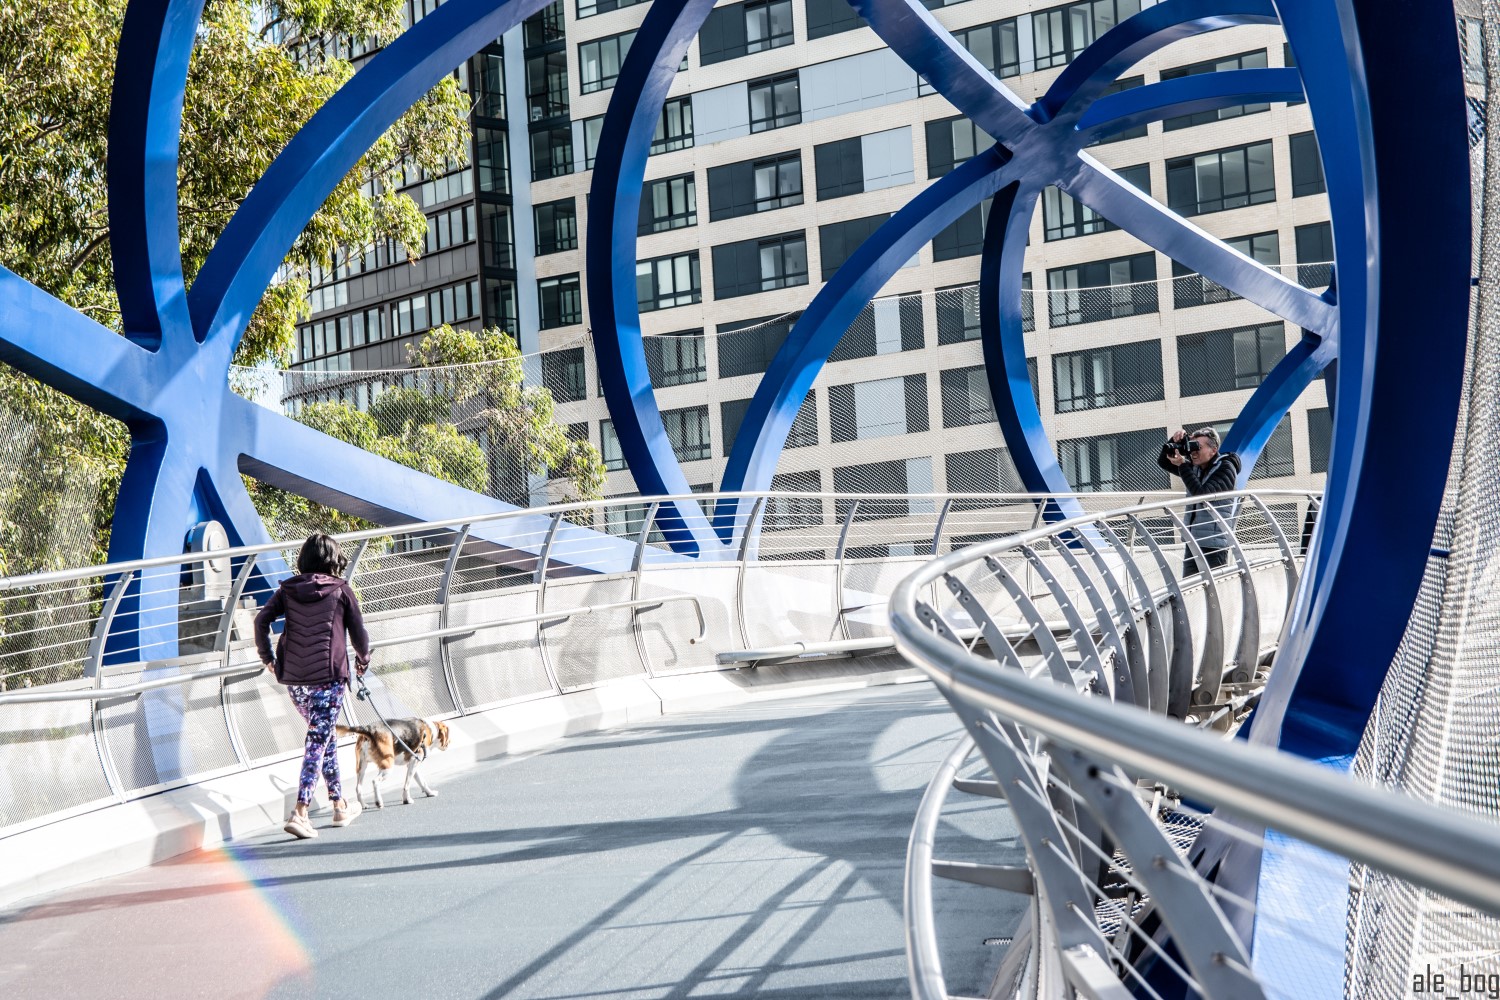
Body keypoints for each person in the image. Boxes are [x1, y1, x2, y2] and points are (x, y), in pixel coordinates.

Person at [255, 533, 372, 839]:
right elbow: (359, 634)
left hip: (295, 679)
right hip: (328, 677)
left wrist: (268, 658)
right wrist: (363, 660)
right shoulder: (341, 590)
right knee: (317, 740)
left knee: (323, 734)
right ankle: (301, 811)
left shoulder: (287, 590)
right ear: (334, 560)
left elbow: (260, 621)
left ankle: (338, 805)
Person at [1158, 427, 1242, 577]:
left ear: (1214, 450)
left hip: (1214, 545)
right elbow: (1163, 462)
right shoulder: (1195, 468)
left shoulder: (1226, 468)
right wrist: (1174, 441)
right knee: (1191, 592)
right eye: (1191, 447)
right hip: (1194, 541)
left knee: (1214, 593)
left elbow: (1202, 494)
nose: (1193, 452)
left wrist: (1183, 465)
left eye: (1198, 447)